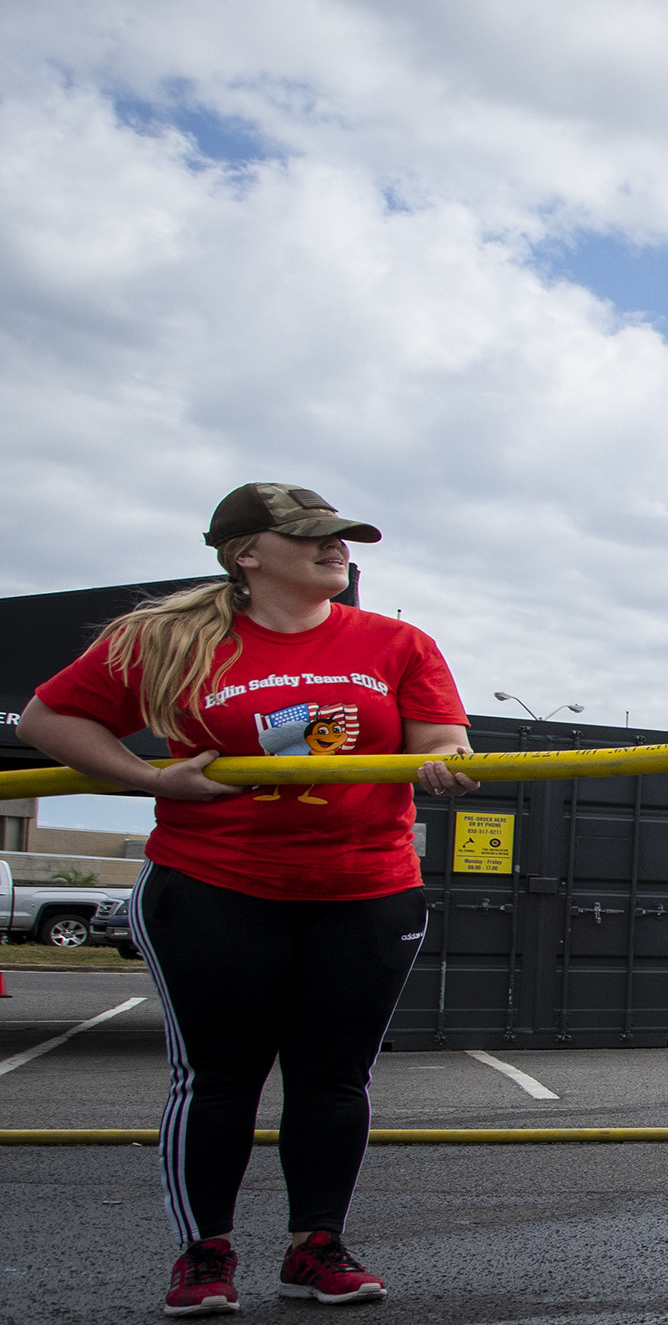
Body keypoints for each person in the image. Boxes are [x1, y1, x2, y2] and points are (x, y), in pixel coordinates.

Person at [19, 484, 480, 1316]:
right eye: (313, 537)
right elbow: (46, 719)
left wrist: (444, 757)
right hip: (214, 883)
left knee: (334, 1077)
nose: (338, 549)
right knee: (218, 1077)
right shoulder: (168, 640)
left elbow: (440, 735)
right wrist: (148, 776)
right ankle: (204, 1255)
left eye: (343, 538)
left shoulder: (398, 641)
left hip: (364, 886)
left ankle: (316, 1247)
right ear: (246, 554)